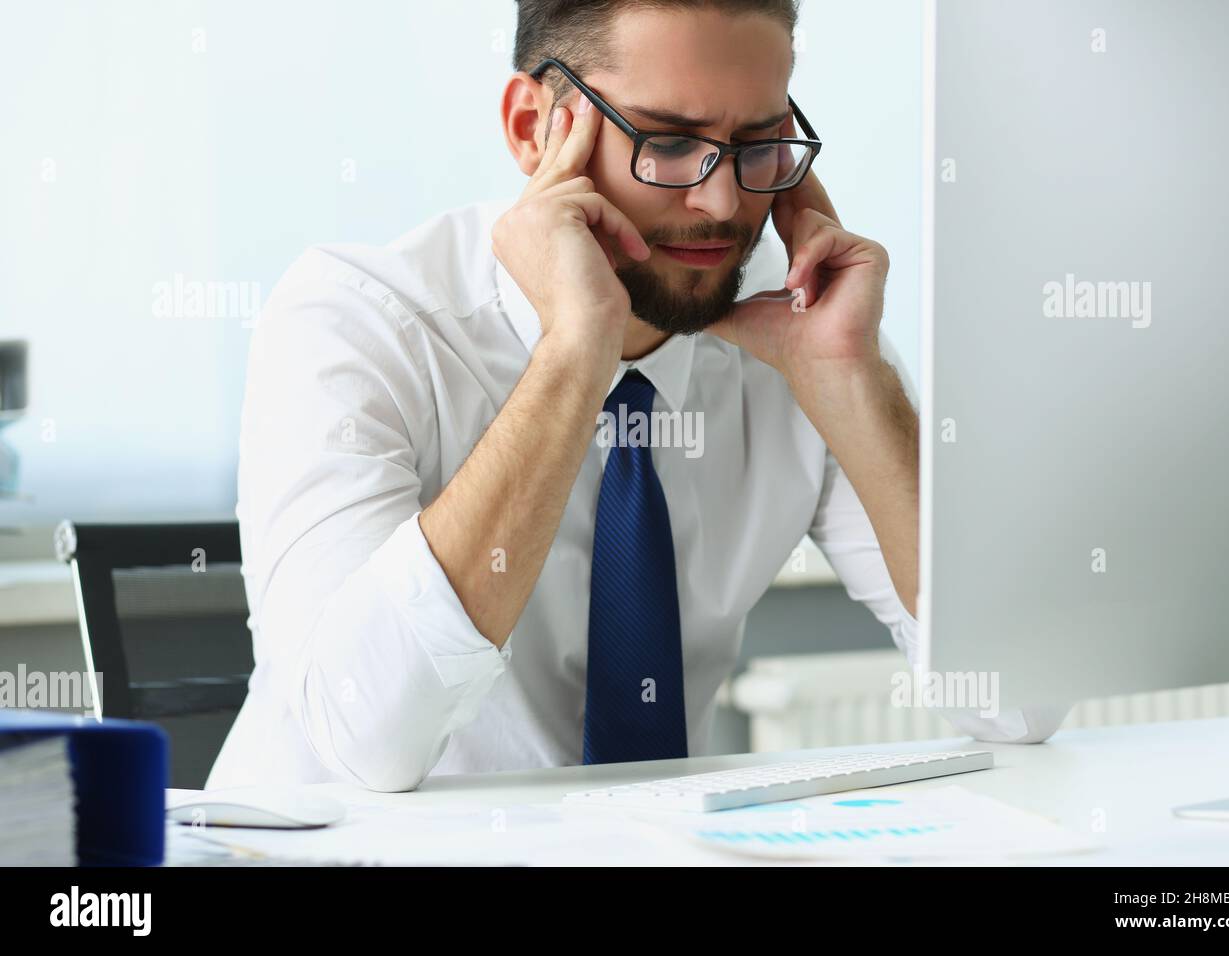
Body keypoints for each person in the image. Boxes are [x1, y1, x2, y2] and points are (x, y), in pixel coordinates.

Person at [208, 0, 1067, 792]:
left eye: (759, 144)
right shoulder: (355, 321)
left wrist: (853, 381)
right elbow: (367, 743)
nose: (723, 200)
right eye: (667, 142)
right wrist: (576, 356)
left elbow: (1017, 707)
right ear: (533, 129)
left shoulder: (803, 335)